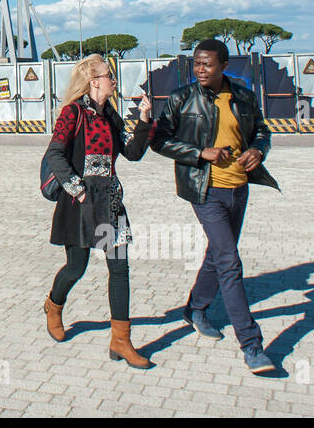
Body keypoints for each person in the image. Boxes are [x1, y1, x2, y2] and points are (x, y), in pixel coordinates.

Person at [149, 38, 281, 375]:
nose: (200, 70)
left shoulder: (244, 96)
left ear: (224, 65)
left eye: (207, 64)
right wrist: (199, 153)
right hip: (204, 189)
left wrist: (259, 150)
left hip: (239, 188)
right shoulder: (182, 98)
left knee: (218, 253)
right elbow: (159, 141)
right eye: (196, 64)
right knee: (229, 261)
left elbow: (262, 131)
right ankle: (252, 346)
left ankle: (195, 308)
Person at [41, 54, 155, 368]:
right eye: (109, 75)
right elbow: (55, 153)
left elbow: (132, 153)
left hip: (110, 201)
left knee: (119, 268)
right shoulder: (73, 112)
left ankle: (121, 340)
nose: (113, 80)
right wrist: (76, 189)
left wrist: (144, 120)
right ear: (94, 81)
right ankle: (54, 304)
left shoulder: (111, 115)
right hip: (80, 203)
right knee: (76, 267)